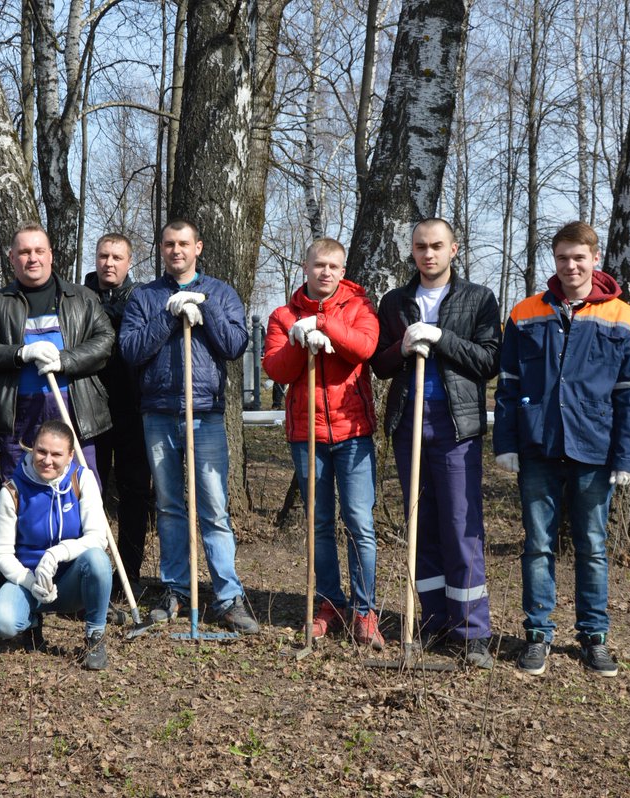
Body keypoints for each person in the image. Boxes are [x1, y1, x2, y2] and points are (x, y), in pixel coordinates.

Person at [494, 220, 630, 678]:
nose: (571, 265)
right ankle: (538, 635)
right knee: (538, 546)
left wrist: (626, 455)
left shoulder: (623, 316)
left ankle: (594, 637)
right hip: (539, 447)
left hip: (594, 449)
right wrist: (506, 443)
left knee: (593, 547)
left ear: (595, 258)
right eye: (563, 258)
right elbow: (507, 384)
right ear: (554, 261)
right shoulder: (524, 314)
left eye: (579, 257)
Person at [371, 218, 500, 668]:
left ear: (454, 249)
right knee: (421, 525)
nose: (429, 254)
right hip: (410, 425)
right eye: (421, 247)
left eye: (437, 246)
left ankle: (473, 631)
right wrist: (403, 348)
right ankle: (433, 621)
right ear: (412, 251)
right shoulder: (396, 302)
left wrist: (441, 339)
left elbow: (487, 361)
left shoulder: (478, 299)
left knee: (461, 526)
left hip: (455, 426)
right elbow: (380, 365)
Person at [120, 218, 259, 634]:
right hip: (159, 412)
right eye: (168, 244)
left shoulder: (220, 292)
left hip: (205, 413)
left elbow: (235, 345)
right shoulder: (145, 296)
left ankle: (228, 596)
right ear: (160, 249)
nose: (175, 250)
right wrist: (168, 317)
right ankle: (177, 590)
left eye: (183, 244)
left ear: (198, 247)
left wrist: (206, 308)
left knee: (214, 507)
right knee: (168, 506)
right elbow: (129, 349)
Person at [262, 238, 384, 648]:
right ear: (305, 266)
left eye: (334, 266)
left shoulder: (360, 308)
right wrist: (300, 339)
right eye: (319, 265)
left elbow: (364, 348)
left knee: (360, 525)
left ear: (342, 269)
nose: (326, 273)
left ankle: (364, 610)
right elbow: (276, 369)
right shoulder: (282, 315)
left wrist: (324, 325)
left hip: (352, 433)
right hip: (307, 435)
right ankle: (330, 603)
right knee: (319, 526)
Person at [0, 222, 114, 479]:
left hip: (74, 409)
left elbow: (105, 340)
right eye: (24, 252)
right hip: (19, 413)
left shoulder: (82, 298)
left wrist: (65, 360)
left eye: (39, 251)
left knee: (81, 488)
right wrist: (21, 353)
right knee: (19, 492)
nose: (32, 258)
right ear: (12, 257)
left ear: (50, 254)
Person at [0, 419, 112, 670]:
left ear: (70, 456)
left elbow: (98, 537)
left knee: (98, 560)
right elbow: (1, 553)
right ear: (32, 448)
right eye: (41, 451)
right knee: (3, 623)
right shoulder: (12, 491)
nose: (47, 460)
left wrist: (56, 554)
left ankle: (95, 637)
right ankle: (32, 623)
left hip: (71, 581)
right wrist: (30, 582)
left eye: (57, 454)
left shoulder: (82, 480)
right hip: (28, 581)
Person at [83, 233, 154, 597]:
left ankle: (130, 572)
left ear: (129, 262)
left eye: (117, 257)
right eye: (103, 256)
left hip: (133, 410)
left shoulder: (141, 299)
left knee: (134, 492)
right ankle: (90, 572)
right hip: (89, 411)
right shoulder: (79, 298)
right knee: (89, 494)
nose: (109, 263)